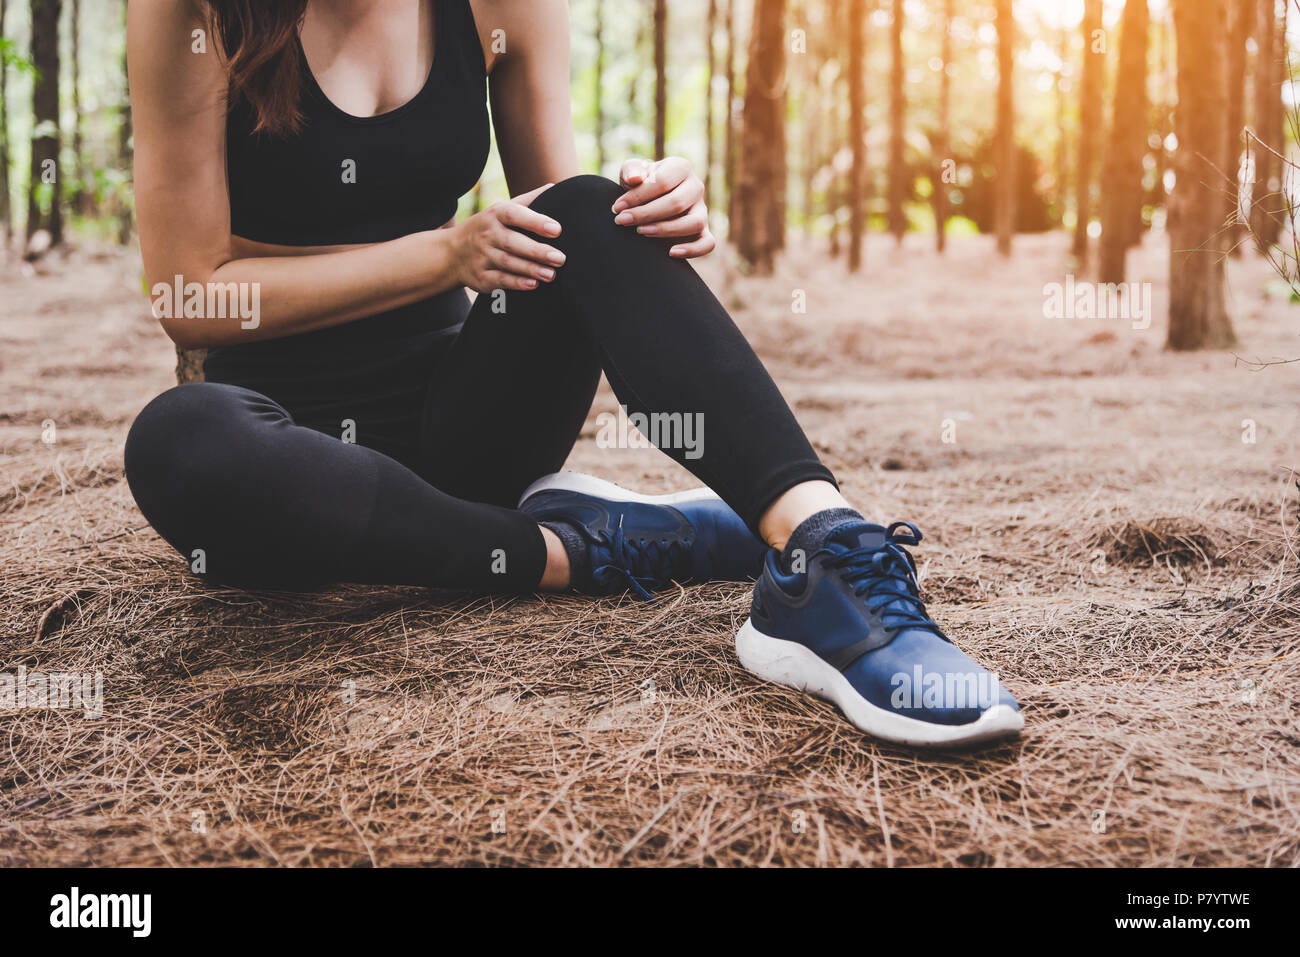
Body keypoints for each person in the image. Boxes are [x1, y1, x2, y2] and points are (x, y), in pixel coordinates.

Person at [123, 0, 1021, 746]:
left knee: (594, 209)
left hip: (467, 432)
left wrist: (649, 209)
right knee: (180, 439)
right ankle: (580, 549)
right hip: (282, 458)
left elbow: (564, 230)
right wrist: (440, 255)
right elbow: (187, 290)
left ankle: (824, 556)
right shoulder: (197, 10)